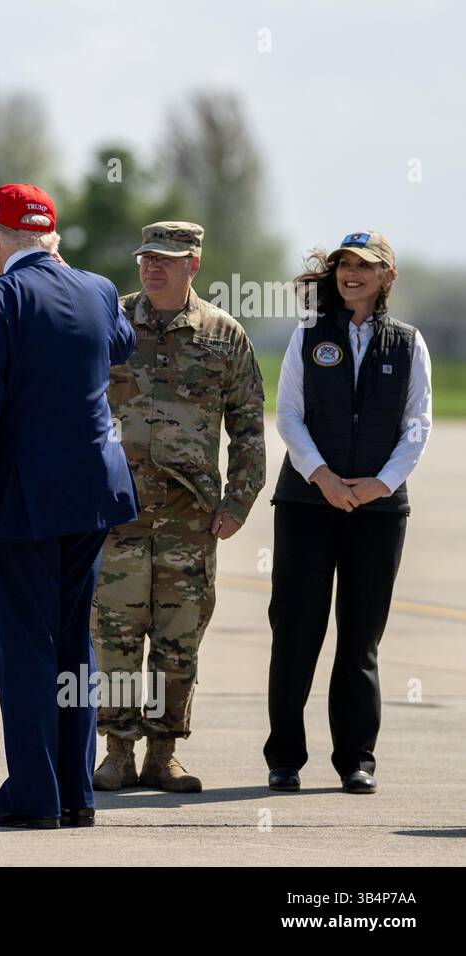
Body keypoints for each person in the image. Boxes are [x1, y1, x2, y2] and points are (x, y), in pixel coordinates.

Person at [0, 184, 137, 828]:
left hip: (18, 499)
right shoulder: (99, 290)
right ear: (51, 237)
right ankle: (76, 793)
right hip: (92, 493)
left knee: (25, 647)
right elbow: (122, 344)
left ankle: (33, 796)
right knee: (72, 645)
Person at [92, 222, 265, 793]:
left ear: (194, 263)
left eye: (166, 259)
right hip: (118, 512)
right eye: (146, 258)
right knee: (114, 635)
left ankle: (163, 752)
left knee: (178, 638)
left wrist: (238, 501)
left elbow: (247, 427)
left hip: (190, 519)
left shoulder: (224, 335)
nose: (152, 268)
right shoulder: (109, 321)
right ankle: (116, 751)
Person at [264, 231, 431, 795]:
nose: (351, 274)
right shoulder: (308, 335)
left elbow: (417, 425)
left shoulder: (409, 344)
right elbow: (287, 415)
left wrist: (381, 485)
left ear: (387, 276)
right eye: (343, 265)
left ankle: (356, 759)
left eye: (365, 266)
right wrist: (323, 477)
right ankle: (284, 757)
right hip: (308, 502)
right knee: (296, 631)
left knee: (359, 639)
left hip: (379, 512)